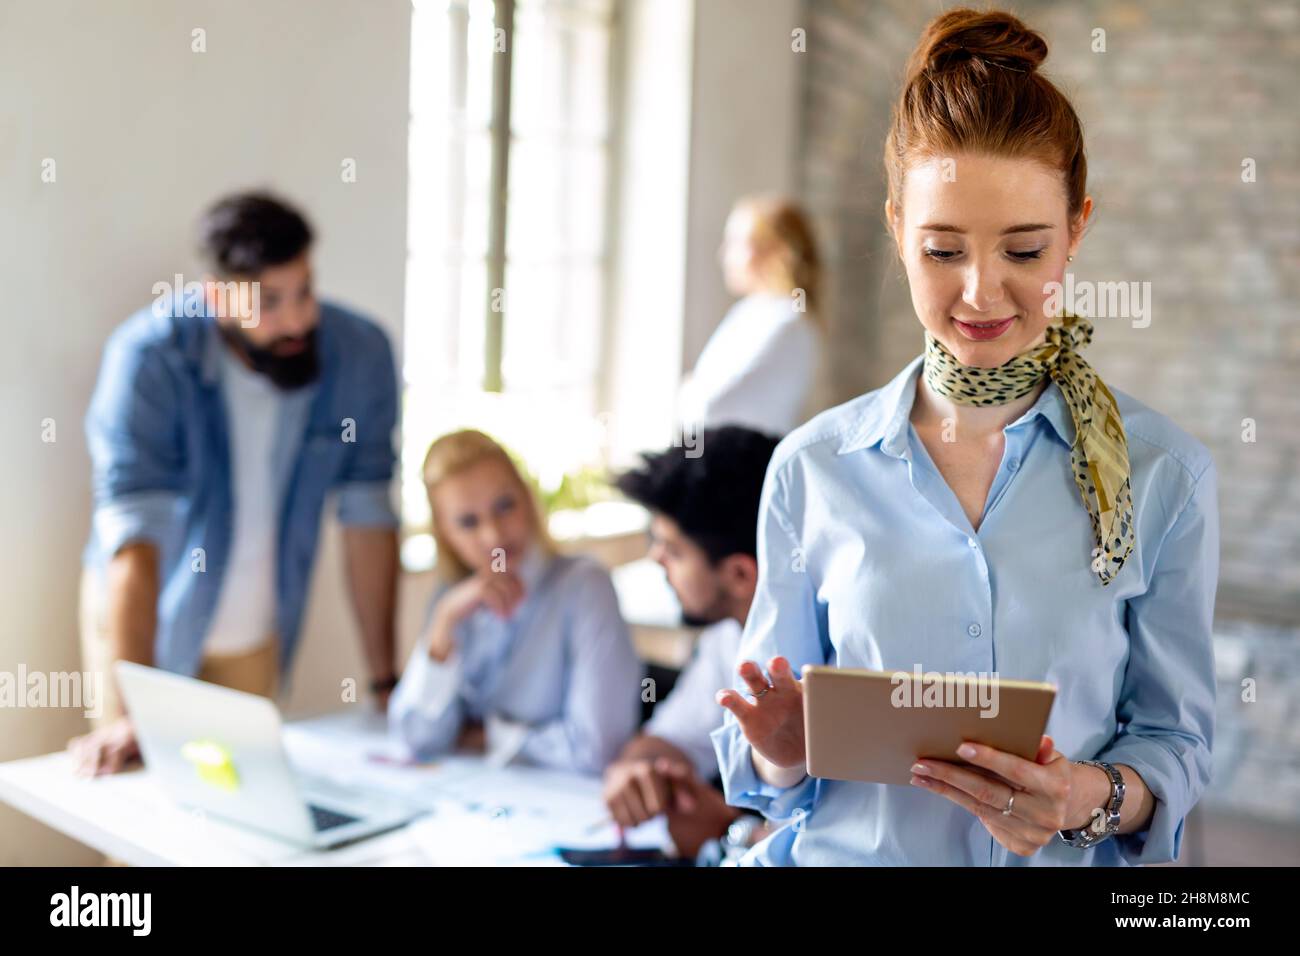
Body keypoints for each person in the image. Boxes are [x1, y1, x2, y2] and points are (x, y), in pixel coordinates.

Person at [712, 8, 1219, 866]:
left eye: (1025, 251)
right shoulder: (812, 470)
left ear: (1078, 229)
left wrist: (1085, 799)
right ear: (895, 231)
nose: (981, 294)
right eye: (943, 250)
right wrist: (782, 747)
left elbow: (1176, 741)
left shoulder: (1166, 474)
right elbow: (768, 768)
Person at [71, 192, 401, 776]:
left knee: (244, 805)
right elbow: (134, 544)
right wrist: (130, 713)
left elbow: (368, 517)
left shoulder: (359, 354)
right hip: (148, 620)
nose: (298, 319)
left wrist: (384, 680)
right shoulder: (148, 360)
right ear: (216, 295)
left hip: (258, 629)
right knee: (142, 802)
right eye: (270, 303)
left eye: (304, 291)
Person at [388, 430, 641, 774]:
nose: (493, 535)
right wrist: (443, 624)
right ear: (445, 533)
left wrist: (491, 736)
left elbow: (597, 749)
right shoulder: (455, 601)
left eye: (505, 506)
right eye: (468, 522)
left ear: (527, 497)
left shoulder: (584, 588)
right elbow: (417, 737)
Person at [603, 426, 780, 859]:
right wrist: (638, 772)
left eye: (674, 551)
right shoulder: (727, 637)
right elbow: (669, 740)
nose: (656, 559)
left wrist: (727, 829)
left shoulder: (830, 664)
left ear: (740, 575)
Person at [678, 195, 825, 436]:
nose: (724, 255)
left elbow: (710, 406)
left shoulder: (790, 322)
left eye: (737, 243)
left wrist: (690, 391)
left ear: (778, 250)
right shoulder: (748, 312)